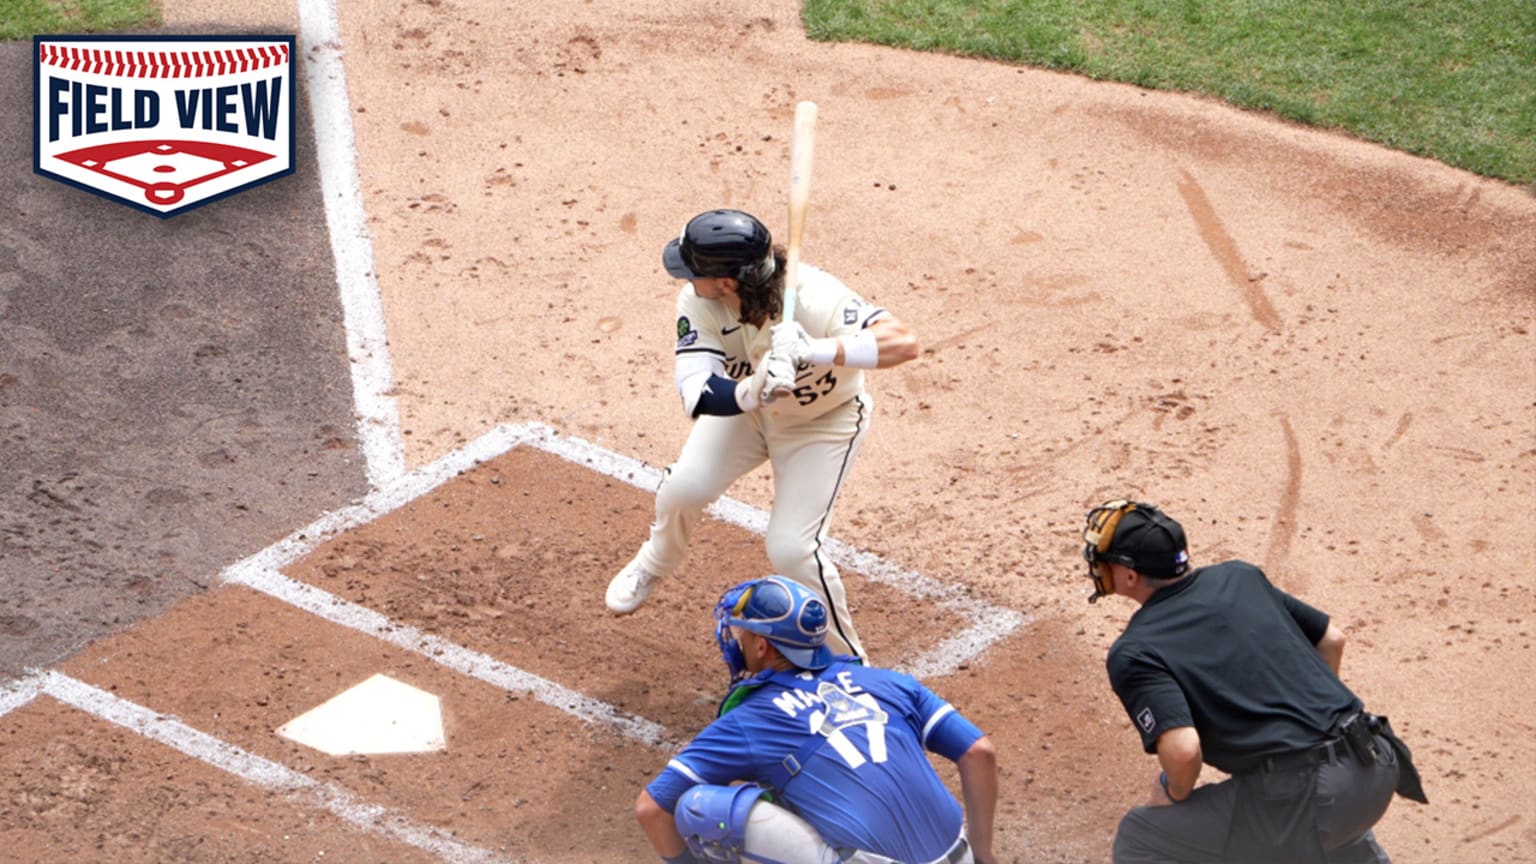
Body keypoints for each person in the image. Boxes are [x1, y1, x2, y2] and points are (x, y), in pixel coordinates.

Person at [605, 209, 919, 662]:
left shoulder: (814, 295)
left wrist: (816, 349)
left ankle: (852, 665)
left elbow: (903, 343)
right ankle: (654, 563)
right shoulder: (698, 303)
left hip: (822, 426)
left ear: (727, 282)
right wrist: (752, 391)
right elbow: (698, 393)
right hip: (746, 416)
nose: (688, 279)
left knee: (792, 550)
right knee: (683, 488)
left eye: (697, 273)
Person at [1079, 499, 1427, 864]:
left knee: (1142, 836)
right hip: (1375, 763)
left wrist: (1171, 790)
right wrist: (1313, 727)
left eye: (1106, 559)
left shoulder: (1134, 651)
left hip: (1317, 800)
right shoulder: (1240, 576)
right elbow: (1331, 639)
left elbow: (1183, 752)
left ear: (1130, 576)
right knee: (1304, 805)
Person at [634, 575, 998, 864]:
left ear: (762, 647)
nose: (738, 639)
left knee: (699, 808)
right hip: (959, 854)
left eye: (743, 631)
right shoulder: (888, 682)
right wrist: (984, 855)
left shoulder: (748, 721)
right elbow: (979, 752)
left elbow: (652, 808)